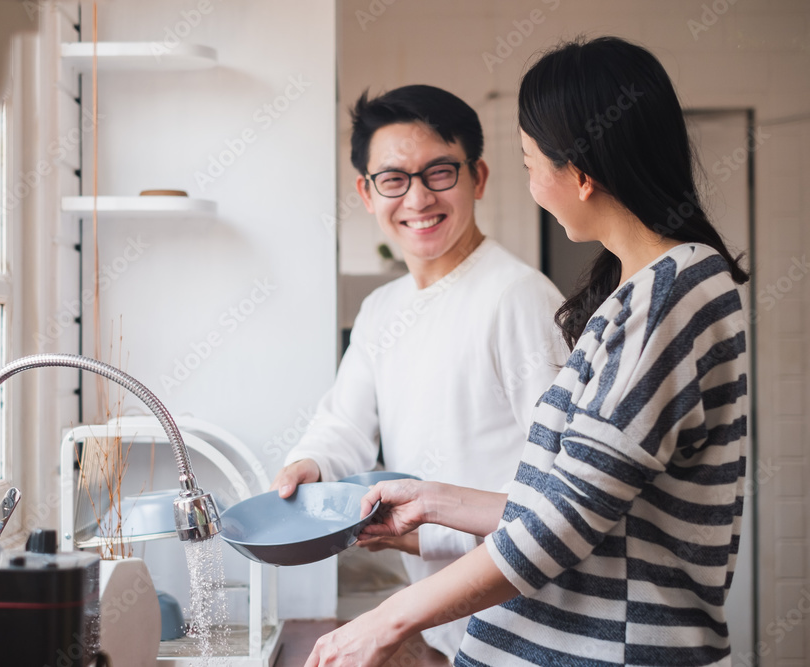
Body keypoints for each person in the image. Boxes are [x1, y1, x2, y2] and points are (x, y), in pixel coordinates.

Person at [304, 36, 750, 667]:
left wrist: (385, 622)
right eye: (394, 180)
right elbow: (569, 496)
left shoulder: (667, 295)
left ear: (581, 171)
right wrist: (431, 502)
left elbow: (563, 522)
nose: (532, 181)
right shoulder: (638, 294)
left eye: (530, 160)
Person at [270, 84, 567, 658]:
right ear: (366, 191)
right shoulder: (383, 309)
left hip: (529, 630)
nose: (417, 198)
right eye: (393, 179)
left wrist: (420, 533)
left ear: (477, 177)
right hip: (443, 630)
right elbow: (345, 427)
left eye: (439, 172)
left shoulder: (519, 297)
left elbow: (556, 493)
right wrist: (310, 466)